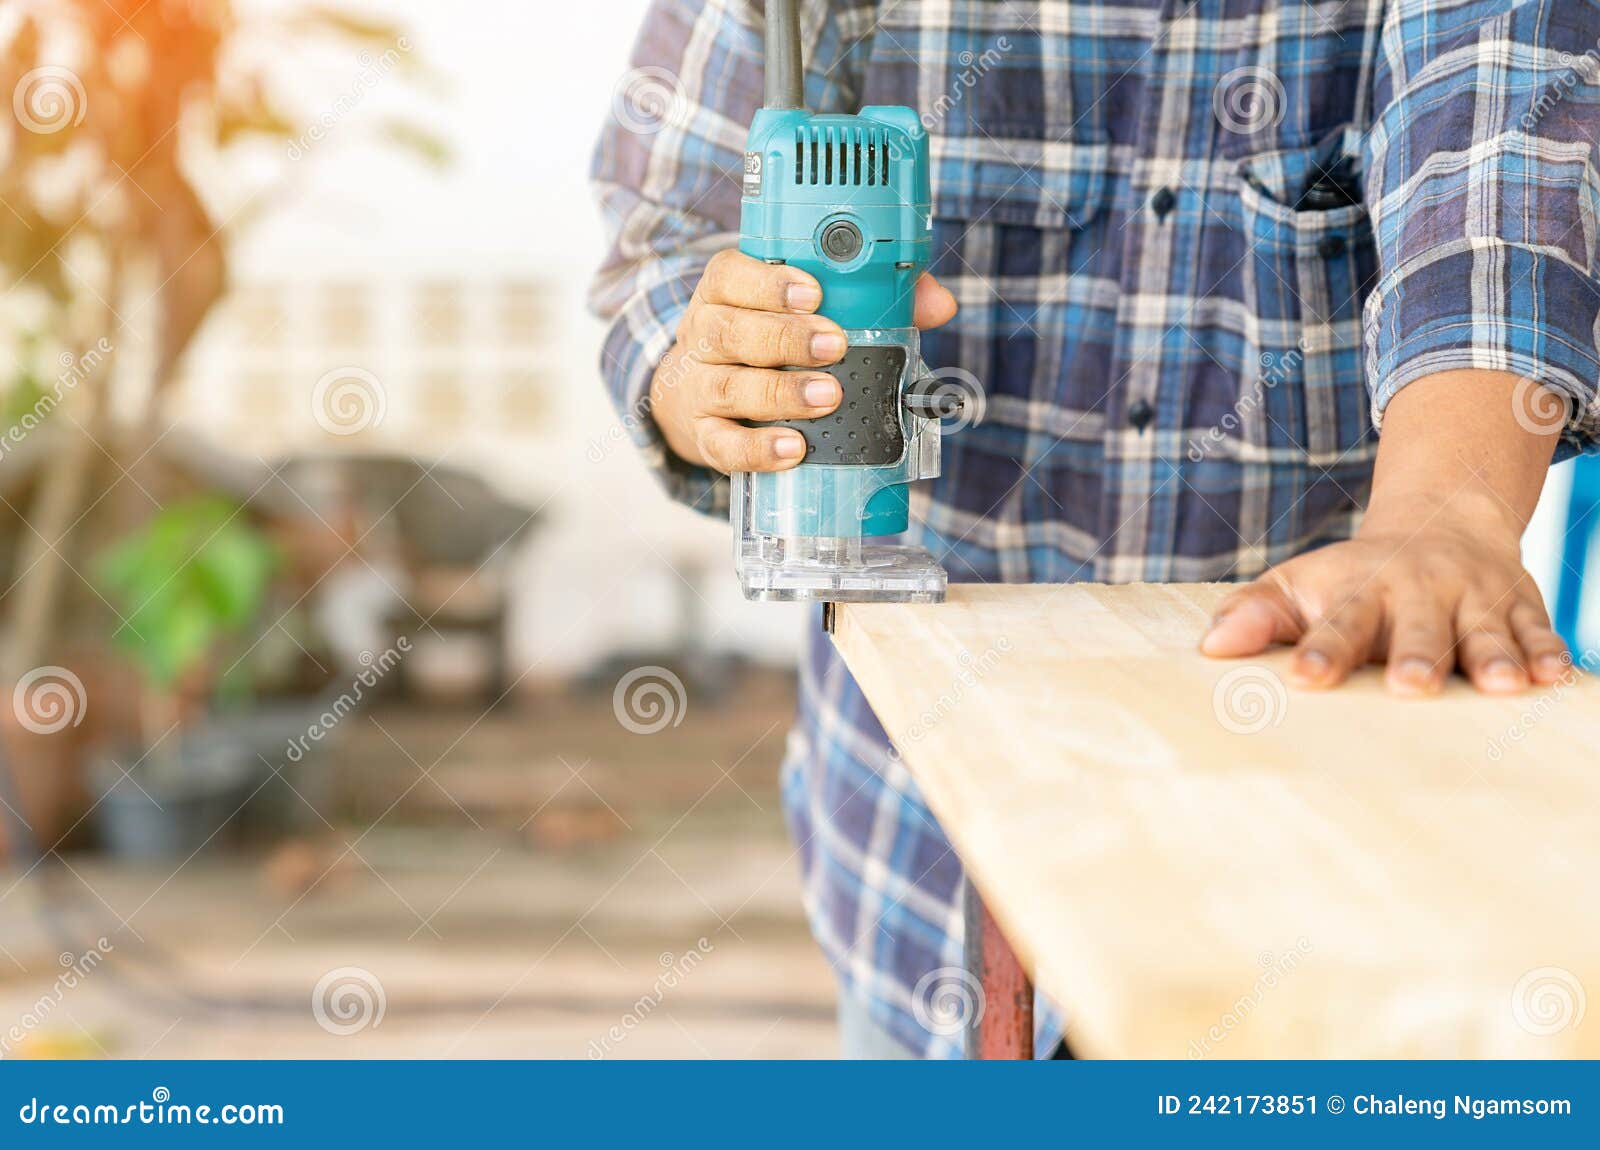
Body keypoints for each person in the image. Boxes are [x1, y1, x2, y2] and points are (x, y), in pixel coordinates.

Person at [589, 0, 1600, 1057]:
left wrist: (1442, 517)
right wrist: (709, 369)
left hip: (1312, 887)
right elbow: (661, 248)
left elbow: (1496, 181)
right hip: (916, 869)